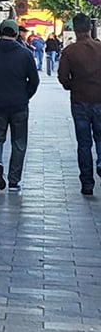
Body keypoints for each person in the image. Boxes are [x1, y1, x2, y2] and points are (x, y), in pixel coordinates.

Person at [0, 18, 40, 191]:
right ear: (16, 34)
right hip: (19, 104)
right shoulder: (25, 54)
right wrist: (25, 95)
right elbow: (34, 80)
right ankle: (14, 180)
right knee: (19, 142)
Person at [57, 12, 101, 196]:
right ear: (90, 28)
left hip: (80, 100)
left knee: (84, 143)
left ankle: (87, 183)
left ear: (75, 29)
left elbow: (62, 76)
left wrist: (71, 86)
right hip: (100, 99)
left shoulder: (70, 51)